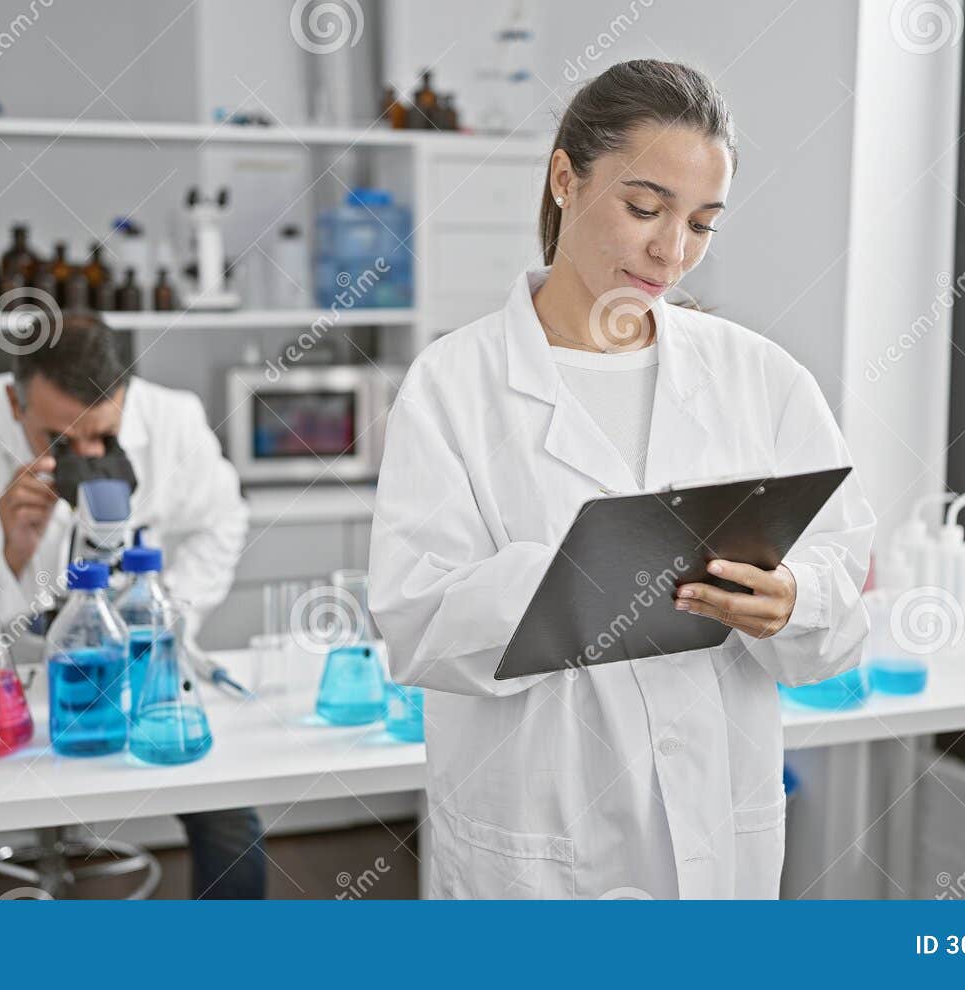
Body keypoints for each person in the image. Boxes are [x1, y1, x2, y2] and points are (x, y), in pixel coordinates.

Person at [367, 60, 876, 899]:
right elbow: (415, 622)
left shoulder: (763, 377)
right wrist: (583, 576)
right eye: (644, 208)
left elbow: (843, 601)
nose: (671, 251)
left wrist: (796, 601)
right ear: (565, 178)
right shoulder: (453, 386)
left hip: (715, 832)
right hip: (536, 849)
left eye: (702, 223)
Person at [0, 312, 266, 899]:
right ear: (14, 402)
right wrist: (9, 553)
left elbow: (223, 522)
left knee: (231, 821)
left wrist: (160, 612)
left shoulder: (173, 420)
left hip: (131, 670)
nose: (87, 455)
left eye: (103, 435)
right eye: (60, 440)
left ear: (125, 397)